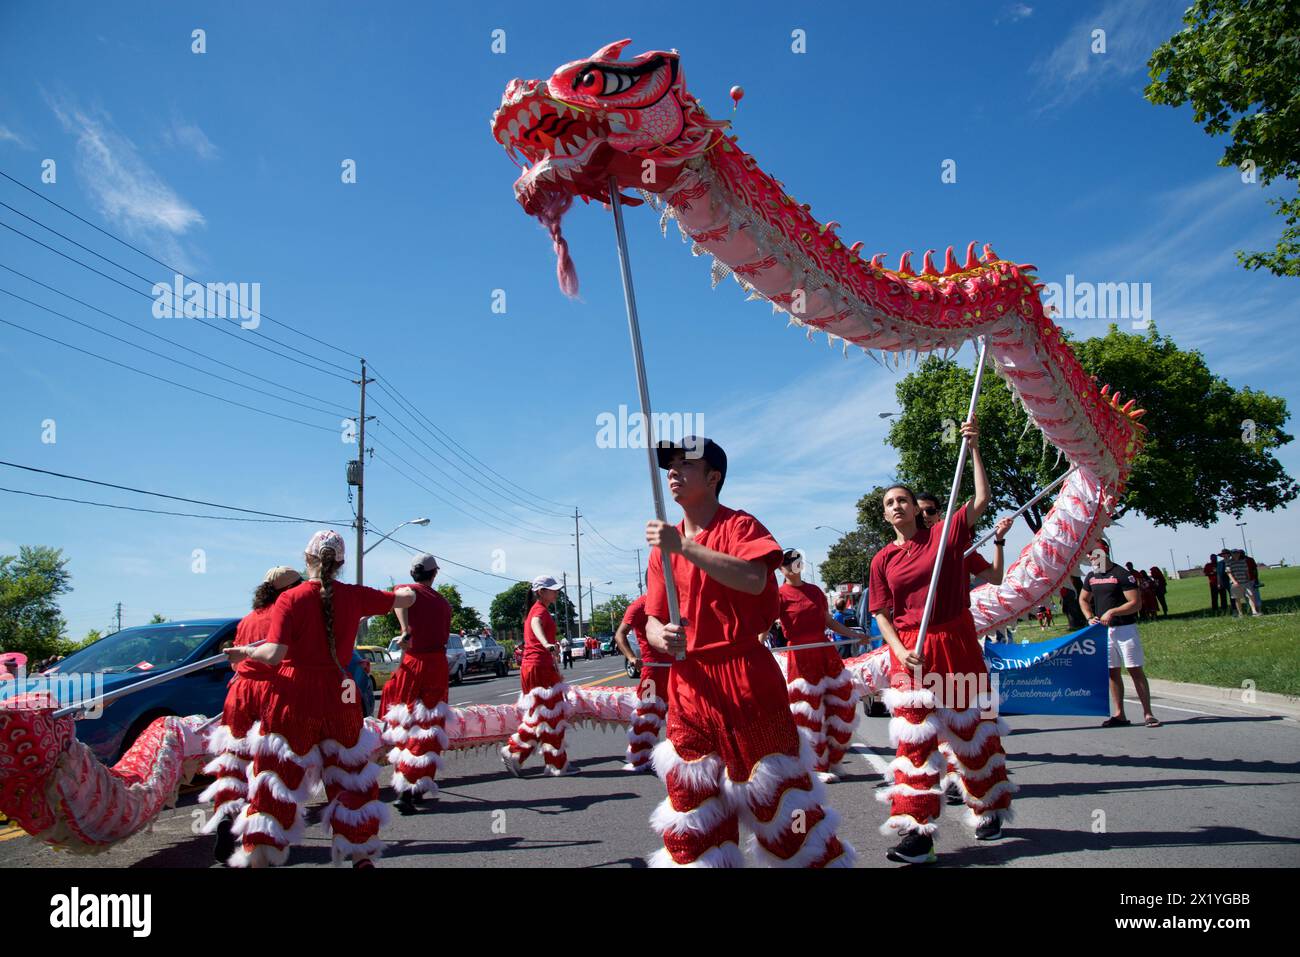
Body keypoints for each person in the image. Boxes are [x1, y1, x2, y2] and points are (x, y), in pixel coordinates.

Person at [643, 436, 853, 867]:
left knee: (782, 810)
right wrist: (660, 635)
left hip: (746, 679)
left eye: (686, 465)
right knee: (693, 817)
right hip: (689, 685)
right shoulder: (662, 550)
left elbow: (755, 579)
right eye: (670, 466)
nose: (673, 473)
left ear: (714, 477)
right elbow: (652, 615)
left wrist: (683, 547)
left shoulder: (740, 526)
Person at [869, 418, 1015, 865]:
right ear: (886, 514)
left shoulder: (946, 535)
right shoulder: (882, 559)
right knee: (914, 744)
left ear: (917, 508)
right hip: (911, 651)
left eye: (903, 501)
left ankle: (989, 807)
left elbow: (983, 500)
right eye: (889, 503)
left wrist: (972, 448)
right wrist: (898, 649)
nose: (896, 507)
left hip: (954, 640)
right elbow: (880, 612)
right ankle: (917, 834)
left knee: (970, 732)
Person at [224, 530, 416, 867]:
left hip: (293, 692)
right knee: (350, 774)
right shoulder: (356, 595)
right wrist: (406, 592)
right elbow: (405, 600)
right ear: (340, 562)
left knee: (277, 777)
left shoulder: (290, 598)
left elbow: (274, 652)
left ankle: (262, 856)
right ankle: (361, 855)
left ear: (308, 558)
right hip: (340, 692)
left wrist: (242, 653)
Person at [202, 565, 303, 864]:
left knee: (234, 762)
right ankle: (262, 841)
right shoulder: (290, 614)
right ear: (289, 591)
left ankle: (226, 816)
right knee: (269, 768)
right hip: (274, 690)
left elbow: (235, 661)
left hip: (240, 691)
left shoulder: (247, 620)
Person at [777, 549, 863, 783]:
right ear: (780, 568)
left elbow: (828, 621)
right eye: (786, 562)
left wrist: (854, 635)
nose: (792, 565)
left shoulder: (815, 591)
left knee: (843, 703)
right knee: (808, 712)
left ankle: (835, 758)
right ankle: (815, 765)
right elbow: (763, 627)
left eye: (796, 560)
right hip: (801, 657)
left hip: (825, 652)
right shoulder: (779, 596)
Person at [381, 553, 453, 816]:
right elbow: (403, 595)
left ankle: (413, 784)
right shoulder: (441, 602)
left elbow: (401, 596)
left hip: (412, 664)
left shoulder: (411, 592)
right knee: (428, 726)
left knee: (408, 723)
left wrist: (404, 628)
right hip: (433, 665)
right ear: (434, 574)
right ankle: (409, 789)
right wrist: (405, 628)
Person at [500, 575, 576, 777]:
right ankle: (520, 753)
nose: (557, 592)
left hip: (539, 666)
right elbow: (536, 625)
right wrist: (545, 643)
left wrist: (551, 646)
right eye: (553, 589)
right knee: (548, 715)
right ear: (541, 592)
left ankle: (554, 762)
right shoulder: (538, 611)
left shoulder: (541, 609)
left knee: (545, 715)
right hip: (538, 667)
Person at [1079, 542, 1160, 729]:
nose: (1090, 558)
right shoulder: (1092, 576)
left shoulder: (1122, 574)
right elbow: (1083, 599)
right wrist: (1089, 616)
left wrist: (1113, 612)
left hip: (1125, 629)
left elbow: (1135, 603)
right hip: (1103, 632)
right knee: (1112, 672)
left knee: (1134, 669)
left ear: (1104, 553)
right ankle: (1119, 714)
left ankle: (1148, 713)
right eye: (1089, 555)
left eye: (1093, 554)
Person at [613, 587, 670, 772]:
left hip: (676, 669)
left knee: (678, 715)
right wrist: (630, 657)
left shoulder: (673, 602)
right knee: (647, 714)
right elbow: (620, 634)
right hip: (652, 671)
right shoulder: (639, 605)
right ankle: (639, 759)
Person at [1226, 549, 1261, 616]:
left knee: (1251, 595)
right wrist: (1234, 582)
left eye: (1237, 553)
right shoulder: (1228, 562)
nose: (1236, 554)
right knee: (1237, 598)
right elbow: (1229, 573)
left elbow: (1246, 571)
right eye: (1234, 553)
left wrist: (1248, 580)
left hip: (1246, 582)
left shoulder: (1243, 561)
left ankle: (1254, 611)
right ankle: (1240, 613)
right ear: (1231, 554)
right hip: (1235, 584)